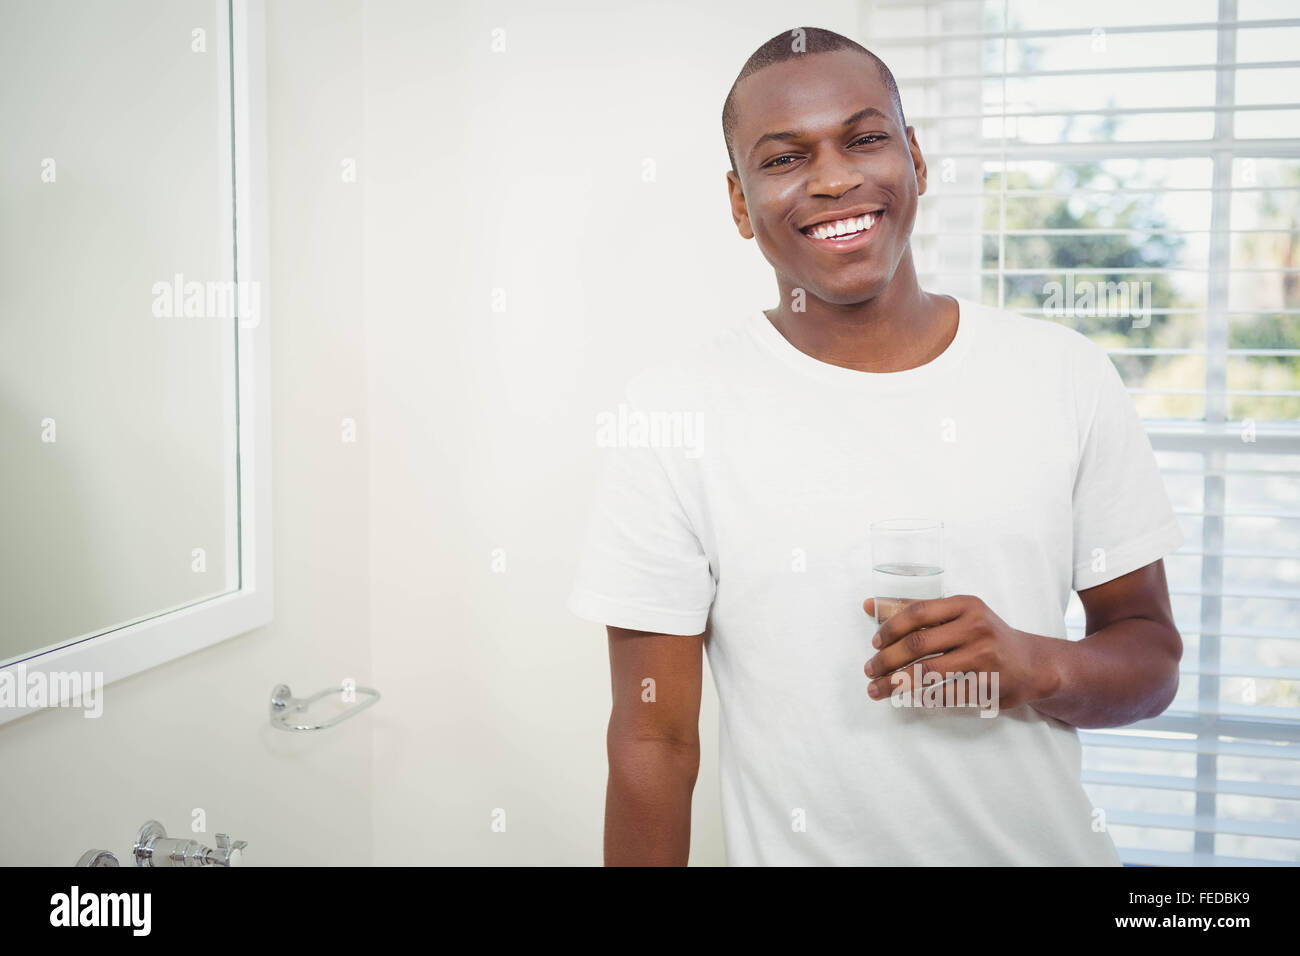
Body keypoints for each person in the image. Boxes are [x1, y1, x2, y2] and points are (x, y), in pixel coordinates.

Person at [567, 26, 1184, 866]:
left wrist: (1034, 666)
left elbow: (1150, 660)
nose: (834, 178)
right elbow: (653, 742)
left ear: (916, 160)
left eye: (864, 139)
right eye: (785, 158)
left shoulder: (1064, 375)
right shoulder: (674, 414)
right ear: (740, 203)